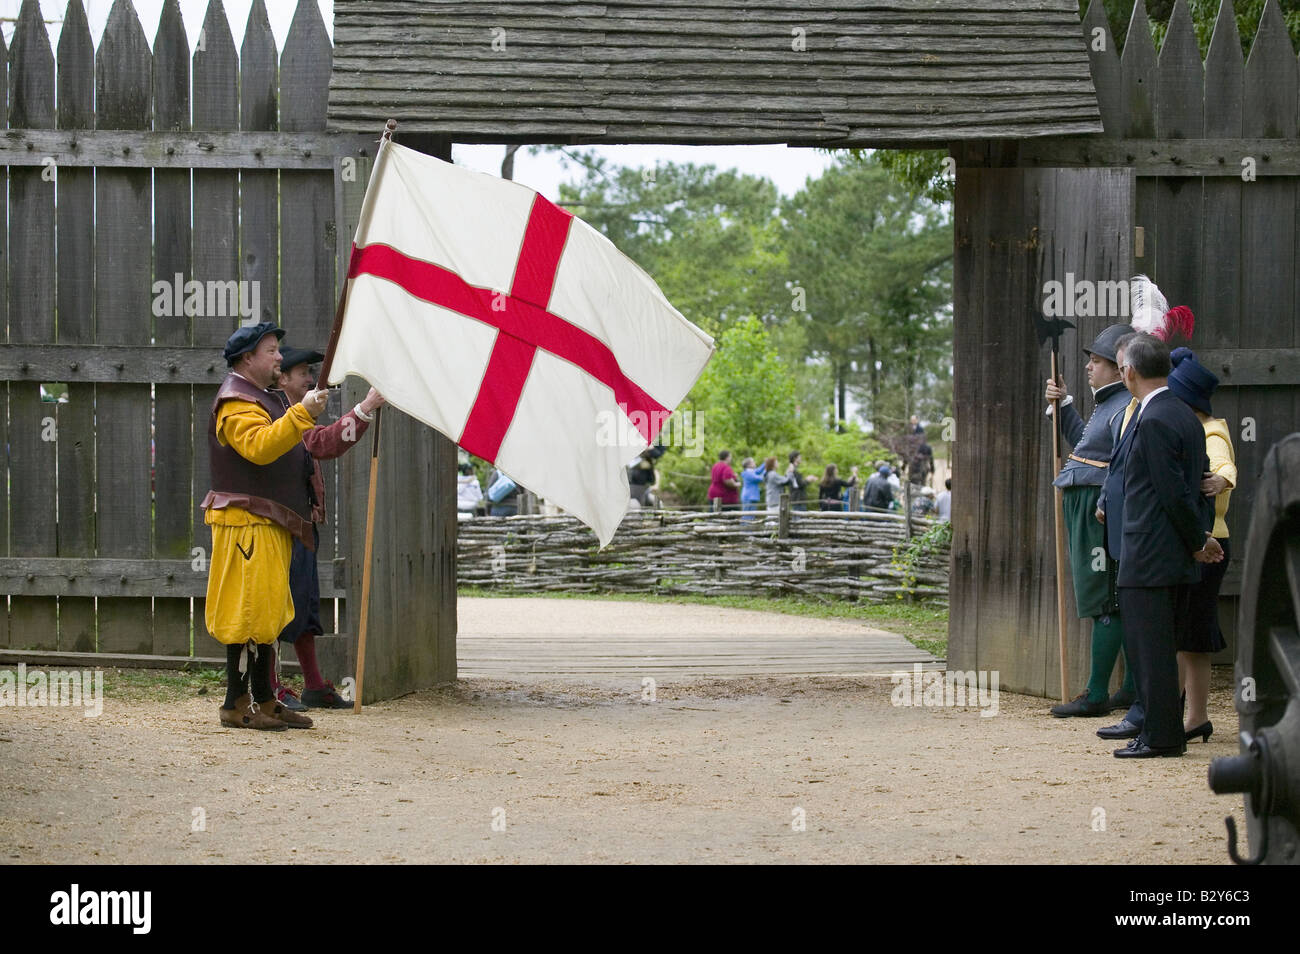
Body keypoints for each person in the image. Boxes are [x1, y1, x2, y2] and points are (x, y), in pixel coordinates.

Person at [1098, 333, 1220, 759]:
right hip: (1170, 553)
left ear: (1129, 372)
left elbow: (1172, 493)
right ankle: (1158, 729)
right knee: (1159, 649)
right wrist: (1198, 538)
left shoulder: (1152, 420)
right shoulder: (1185, 415)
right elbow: (1202, 487)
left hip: (1150, 553)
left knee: (1149, 652)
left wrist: (1198, 540)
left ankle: (1161, 735)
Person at [203, 323, 328, 731]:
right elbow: (258, 448)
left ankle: (265, 699)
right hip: (245, 522)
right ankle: (235, 703)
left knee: (268, 612)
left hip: (266, 520)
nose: (279, 357)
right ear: (246, 359)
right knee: (246, 612)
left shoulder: (263, 396)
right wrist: (302, 414)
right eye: (271, 350)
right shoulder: (235, 399)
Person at [268, 345, 387, 711]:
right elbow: (322, 443)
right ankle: (268, 687)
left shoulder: (295, 412)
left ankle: (314, 685)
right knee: (272, 608)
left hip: (300, 523)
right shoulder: (273, 413)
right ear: (282, 378)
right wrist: (365, 408)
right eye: (303, 371)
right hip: (275, 525)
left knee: (303, 607)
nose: (311, 378)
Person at [1043, 324, 1139, 719]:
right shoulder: (1108, 405)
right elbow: (1087, 447)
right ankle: (1129, 688)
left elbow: (1119, 467)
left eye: (1097, 362)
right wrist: (1063, 404)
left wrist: (1102, 502)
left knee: (1107, 601)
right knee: (1111, 600)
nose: (1089, 368)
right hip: (1087, 509)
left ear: (1120, 369)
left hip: (1098, 514)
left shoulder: (1123, 408)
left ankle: (1098, 692)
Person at [1167, 347, 1235, 744]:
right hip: (1198, 542)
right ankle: (1186, 714)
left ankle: (1194, 716)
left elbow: (1225, 466)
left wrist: (1222, 480)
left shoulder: (1210, 432)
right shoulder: (1190, 429)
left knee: (1193, 636)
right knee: (1187, 637)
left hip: (1212, 544)